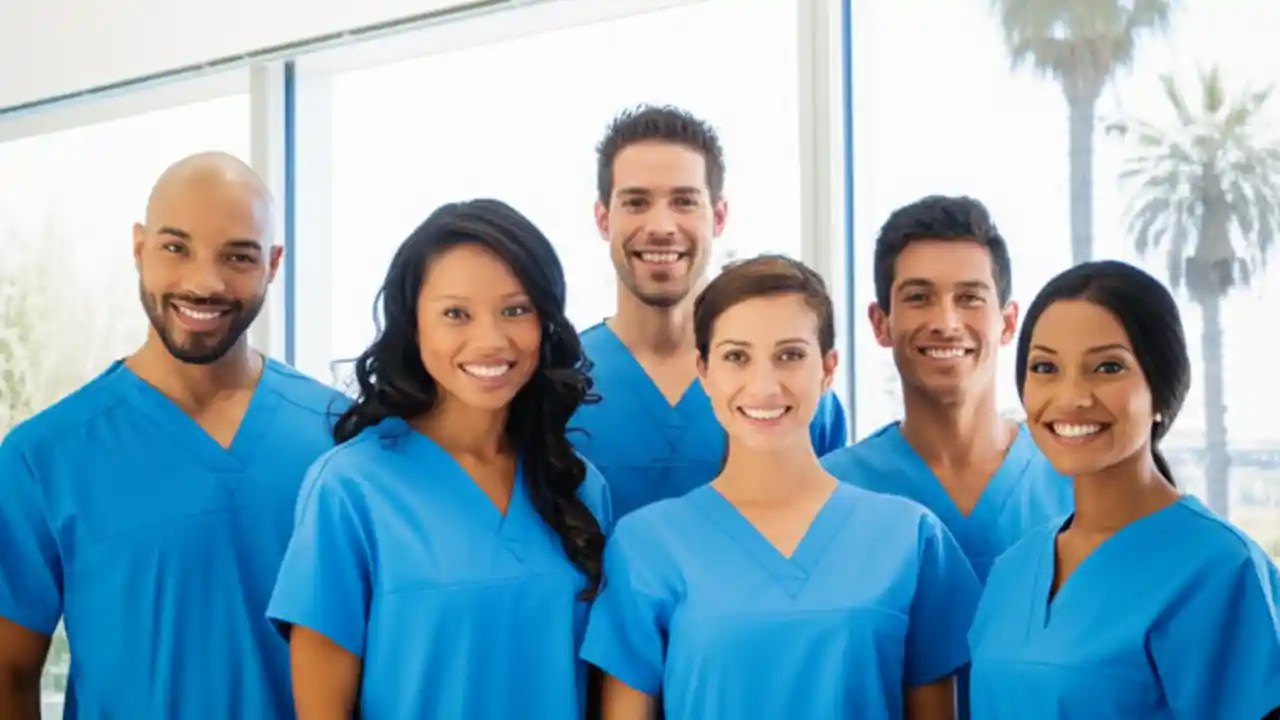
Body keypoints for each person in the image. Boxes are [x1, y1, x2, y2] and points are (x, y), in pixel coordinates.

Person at [0, 152, 345, 719]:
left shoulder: (342, 437)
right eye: (175, 248)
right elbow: (9, 671)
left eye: (237, 255)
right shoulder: (43, 458)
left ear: (273, 264)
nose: (203, 282)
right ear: (139, 249)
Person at [581, 255, 979, 720]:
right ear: (703, 371)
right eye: (736, 357)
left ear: (828, 369)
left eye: (790, 355)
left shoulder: (909, 539)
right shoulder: (647, 545)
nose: (764, 385)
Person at [266, 199, 612, 719]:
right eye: (456, 314)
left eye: (515, 309)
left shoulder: (581, 488)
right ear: (415, 326)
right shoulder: (350, 489)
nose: (491, 340)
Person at [968, 260, 1280, 720]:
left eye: (1108, 367)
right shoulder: (1014, 568)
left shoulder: (1220, 569)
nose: (1072, 396)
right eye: (1045, 367)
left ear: (1162, 390)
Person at [571, 105, 848, 520]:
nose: (661, 225)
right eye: (637, 202)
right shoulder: (558, 386)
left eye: (684, 201)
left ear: (718, 216)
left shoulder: (793, 387)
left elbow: (830, 535)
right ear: (603, 218)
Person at [822, 195, 1073, 583]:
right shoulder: (832, 493)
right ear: (880, 323)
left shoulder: (1074, 478)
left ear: (1007, 323)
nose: (946, 322)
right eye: (919, 298)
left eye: (969, 298)